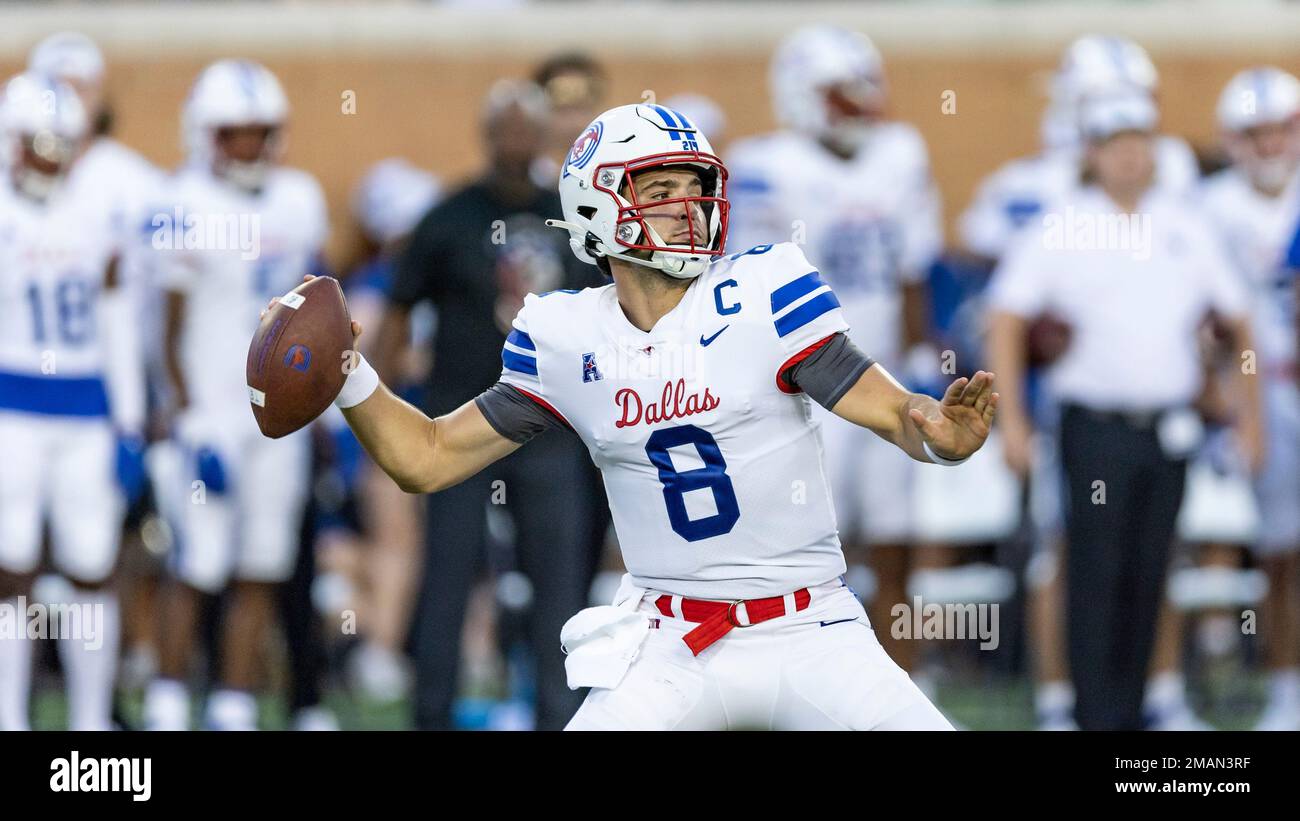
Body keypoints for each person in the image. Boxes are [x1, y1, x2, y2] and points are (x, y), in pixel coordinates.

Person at [299, 102, 998, 730]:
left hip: (812, 627)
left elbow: (897, 413)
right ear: (597, 209)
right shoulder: (567, 336)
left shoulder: (763, 289)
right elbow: (425, 457)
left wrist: (938, 435)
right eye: (660, 191)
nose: (686, 206)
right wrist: (348, 375)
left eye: (694, 187)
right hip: (670, 644)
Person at [987, 90, 1262, 731]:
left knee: (1153, 565)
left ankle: (1140, 709)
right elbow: (1006, 316)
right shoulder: (1064, 222)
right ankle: (1092, 713)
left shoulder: (1184, 223)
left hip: (1168, 428)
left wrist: (1248, 416)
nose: (1131, 156)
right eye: (1116, 144)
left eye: (1140, 141)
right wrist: (1015, 423)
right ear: (1093, 152)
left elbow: (1238, 320)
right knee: (1093, 567)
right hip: (1094, 428)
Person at [961, 34, 1208, 730]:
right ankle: (1061, 698)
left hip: (1151, 390)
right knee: (1062, 553)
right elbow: (996, 296)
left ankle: (1156, 692)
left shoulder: (1166, 173)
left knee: (1154, 554)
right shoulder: (1037, 186)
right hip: (1066, 394)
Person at [372, 80, 603, 730]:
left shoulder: (570, 214)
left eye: (526, 128)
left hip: (551, 424)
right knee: (446, 572)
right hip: (462, 419)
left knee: (562, 580)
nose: (516, 141)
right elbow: (395, 315)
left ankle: (561, 716)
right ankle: (431, 711)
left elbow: (606, 314)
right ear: (487, 135)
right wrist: (384, 413)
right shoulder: (449, 216)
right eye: (504, 128)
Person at [726, 25, 943, 675]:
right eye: (846, 95)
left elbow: (912, 270)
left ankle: (898, 680)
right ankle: (815, 678)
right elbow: (749, 285)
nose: (864, 107)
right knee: (812, 544)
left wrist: (918, 355)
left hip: (884, 374)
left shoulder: (901, 154)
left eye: (866, 92)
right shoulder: (768, 166)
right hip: (807, 385)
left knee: (895, 537)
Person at [144, 60, 328, 730]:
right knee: (196, 562)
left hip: (281, 413)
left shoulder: (299, 196)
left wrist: (321, 405)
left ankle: (234, 699)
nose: (250, 146)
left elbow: (315, 305)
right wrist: (187, 413)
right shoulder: (179, 201)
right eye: (236, 133)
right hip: (213, 411)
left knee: (263, 563)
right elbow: (162, 328)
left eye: (260, 133)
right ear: (207, 135)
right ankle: (167, 696)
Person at [0, 73, 145, 732]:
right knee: (11, 565)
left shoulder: (95, 212)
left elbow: (118, 321)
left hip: (85, 408)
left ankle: (90, 721)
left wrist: (131, 421)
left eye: (61, 144)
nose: (50, 158)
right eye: (39, 143)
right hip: (11, 404)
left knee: (91, 564)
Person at [1202, 67, 1300, 730]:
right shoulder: (1211, 207)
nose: (1269, 146)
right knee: (1280, 552)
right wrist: (1221, 392)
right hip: (1259, 390)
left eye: (1280, 131)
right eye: (1255, 133)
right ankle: (1287, 686)